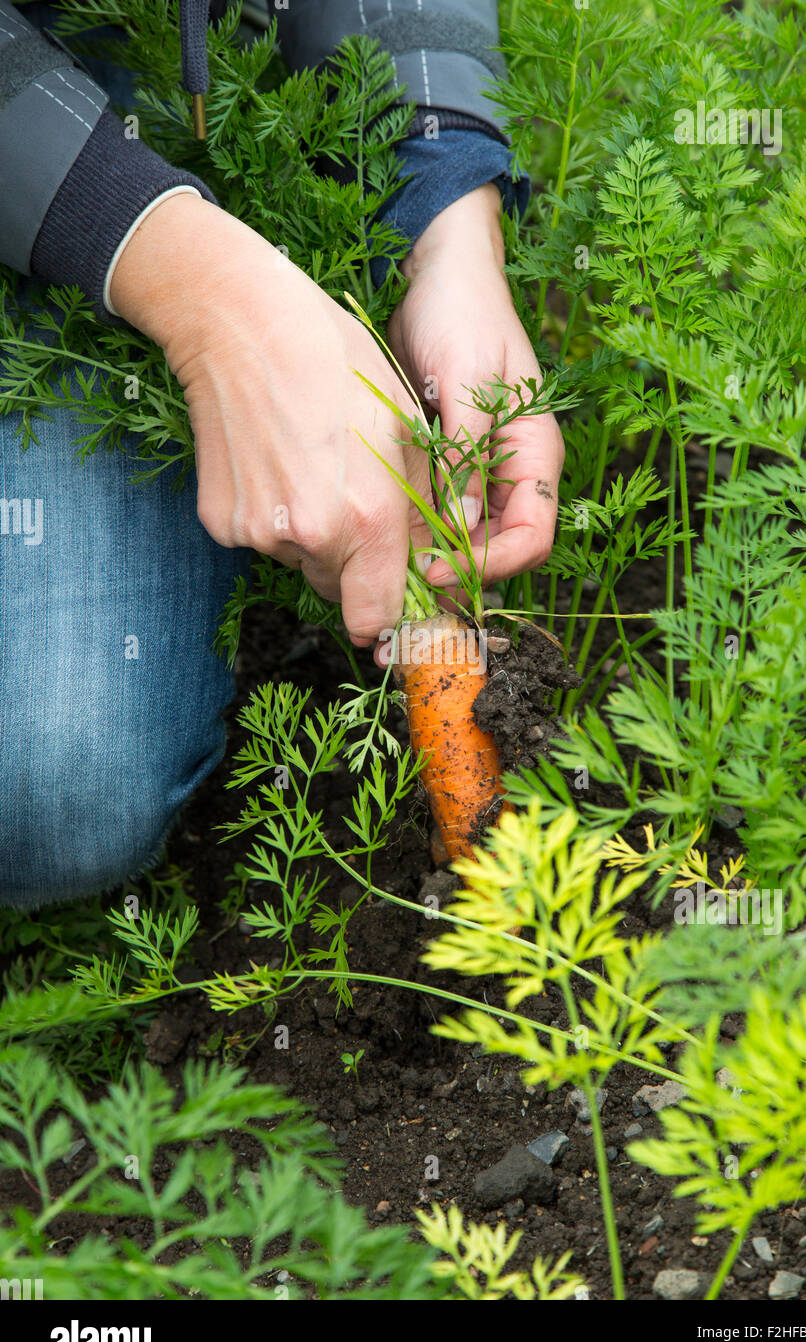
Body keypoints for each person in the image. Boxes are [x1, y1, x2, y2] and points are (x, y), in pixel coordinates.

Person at [0, 0, 563, 910]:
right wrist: (209, 300)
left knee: (62, 783)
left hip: (186, 56)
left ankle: (474, 832)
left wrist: (450, 226)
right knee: (44, 781)